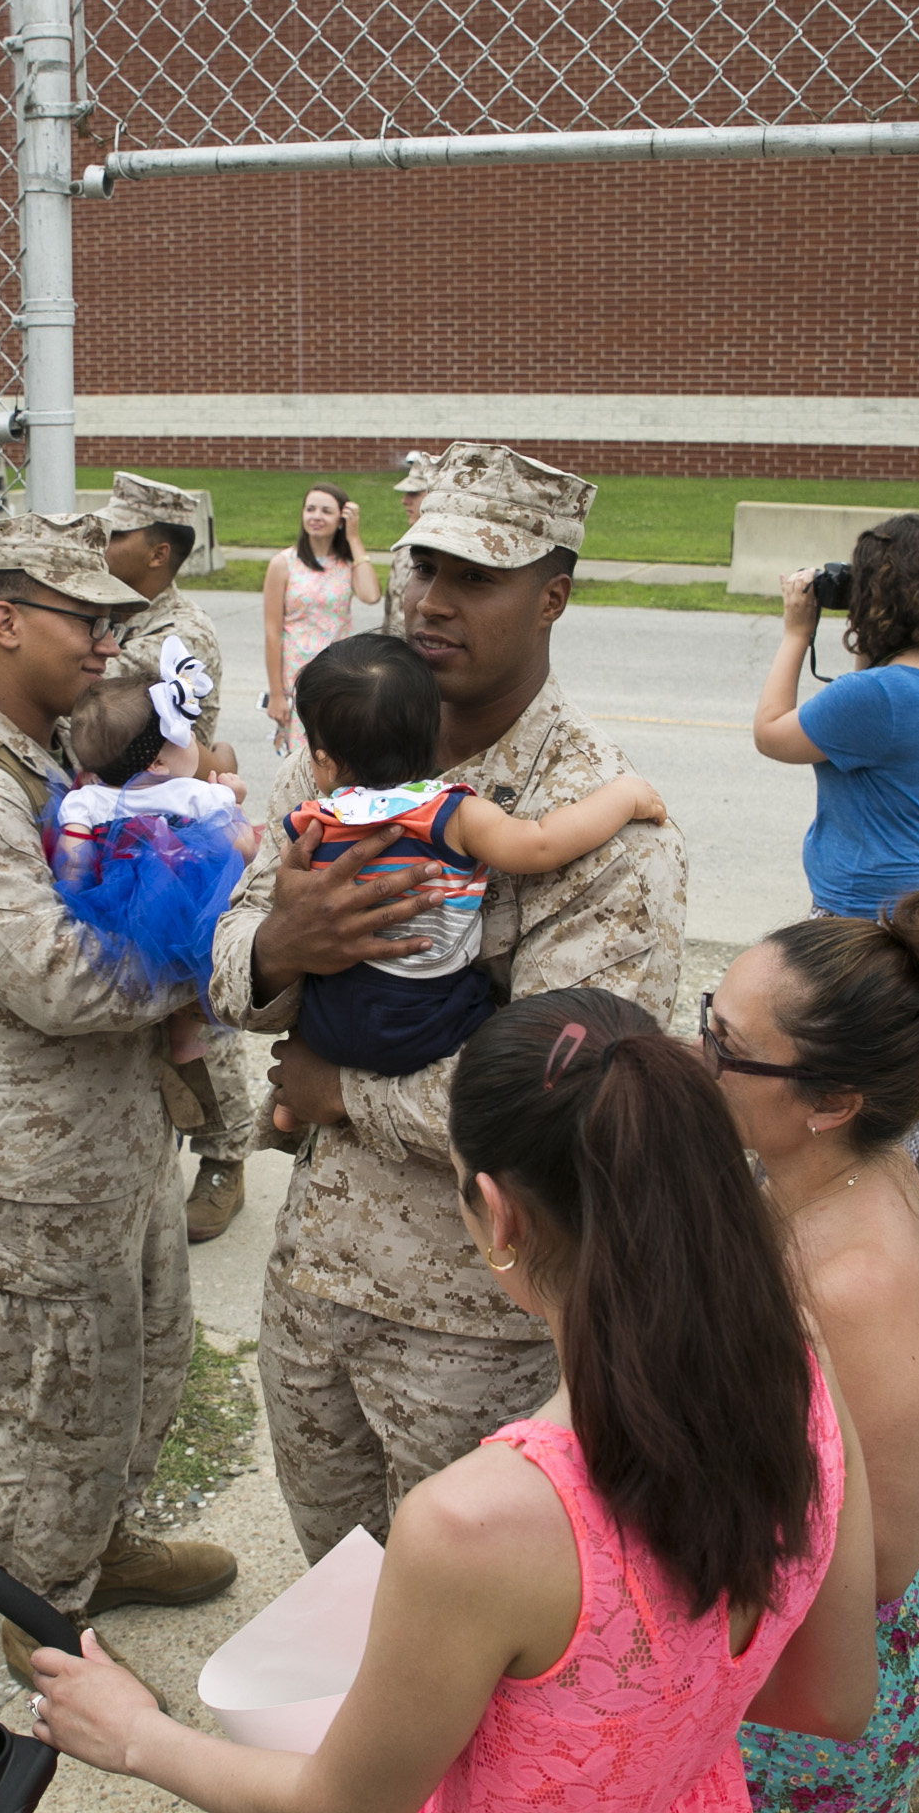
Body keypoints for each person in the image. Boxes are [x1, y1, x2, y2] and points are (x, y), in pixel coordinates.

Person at [27, 988, 879, 1811]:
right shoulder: (803, 1368)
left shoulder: (475, 1528)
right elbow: (835, 1700)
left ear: (500, 1218)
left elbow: (343, 1804)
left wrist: (135, 1735)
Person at [209, 442, 687, 1563]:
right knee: (335, 1587)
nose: (430, 599)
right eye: (424, 565)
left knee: (468, 1627)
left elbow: (569, 1095)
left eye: (477, 577)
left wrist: (340, 1092)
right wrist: (280, 947)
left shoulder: (599, 818)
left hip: (480, 1324)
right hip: (316, 1275)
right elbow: (229, 954)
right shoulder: (344, 749)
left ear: (552, 597)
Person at [0, 512, 240, 1686]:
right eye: (83, 618)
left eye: (111, 621)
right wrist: (235, 952)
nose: (105, 642)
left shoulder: (55, 755)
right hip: (36, 1156)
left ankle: (105, 1544)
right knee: (64, 1399)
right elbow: (64, 980)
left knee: (147, 1359)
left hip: (117, 1132)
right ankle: (47, 1618)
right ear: (3, 620)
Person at [701, 885, 919, 1811]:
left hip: (815, 1682)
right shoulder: (855, 1165)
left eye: (726, 1046)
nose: (700, 1060)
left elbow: (883, 1558)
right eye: (709, 1018)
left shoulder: (845, 1288)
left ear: (833, 1101)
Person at [279, 632, 670, 1088]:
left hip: (328, 1020)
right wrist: (623, 798)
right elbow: (541, 844)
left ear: (325, 762)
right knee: (486, 1009)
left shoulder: (310, 821)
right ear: (433, 735)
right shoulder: (452, 815)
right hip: (426, 1021)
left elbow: (287, 888)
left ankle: (292, 1108)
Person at [97, 470, 255, 1240]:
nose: (102, 542)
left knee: (194, 999)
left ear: (159, 552)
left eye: (116, 533)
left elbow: (138, 731)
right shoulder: (113, 612)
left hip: (169, 836)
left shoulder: (176, 633)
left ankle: (227, 1156)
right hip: (114, 825)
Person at [51, 649, 259, 1144]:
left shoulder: (85, 798)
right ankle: (186, 1045)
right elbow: (239, 840)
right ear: (160, 761)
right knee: (194, 968)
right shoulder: (193, 792)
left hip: (118, 908)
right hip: (188, 903)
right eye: (186, 737)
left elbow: (73, 855)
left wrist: (78, 892)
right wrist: (232, 792)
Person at [751, 513, 919, 919]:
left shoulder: (876, 696)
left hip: (866, 912)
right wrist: (874, 626)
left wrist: (796, 632)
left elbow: (769, 735)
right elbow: (877, 699)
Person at [261, 483, 380, 755]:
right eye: (310, 509)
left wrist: (354, 538)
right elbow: (271, 632)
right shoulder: (283, 563)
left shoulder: (347, 563)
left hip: (338, 675)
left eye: (326, 511)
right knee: (301, 757)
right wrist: (276, 694)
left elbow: (371, 594)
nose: (316, 516)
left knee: (339, 755)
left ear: (341, 520)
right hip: (297, 679)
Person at [377, 450, 434, 641]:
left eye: (414, 493)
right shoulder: (404, 548)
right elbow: (389, 613)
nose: (404, 500)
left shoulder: (449, 556)